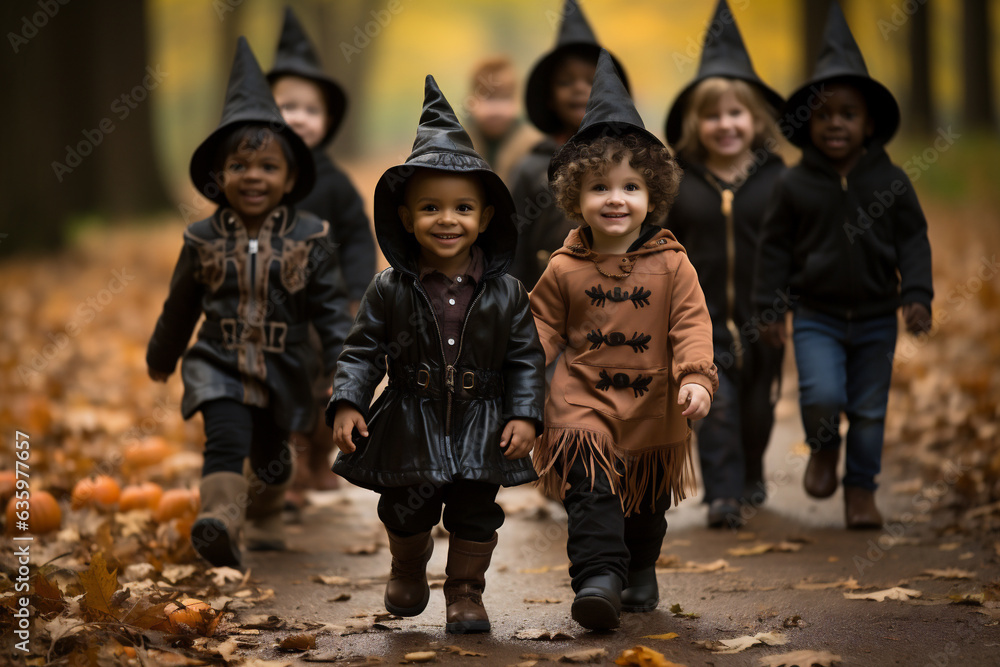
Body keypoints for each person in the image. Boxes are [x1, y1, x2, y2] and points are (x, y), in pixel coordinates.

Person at [328, 76, 545, 634]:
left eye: (462, 208)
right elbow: (362, 350)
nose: (447, 220)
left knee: (476, 509)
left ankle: (466, 592)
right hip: (410, 417)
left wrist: (525, 413)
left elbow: (525, 358)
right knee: (407, 506)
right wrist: (348, 401)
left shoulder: (507, 292)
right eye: (430, 208)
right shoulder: (389, 288)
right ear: (405, 217)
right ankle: (407, 564)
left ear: (487, 217)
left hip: (482, 421)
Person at [530, 51, 717, 631]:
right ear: (575, 197)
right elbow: (538, 328)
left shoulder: (672, 265)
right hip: (581, 401)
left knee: (644, 508)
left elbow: (691, 324)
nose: (616, 198)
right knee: (590, 494)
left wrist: (695, 377)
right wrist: (516, 386)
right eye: (599, 187)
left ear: (652, 194)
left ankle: (638, 569)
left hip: (653, 406)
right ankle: (597, 580)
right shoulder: (562, 268)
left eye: (631, 186)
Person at [146, 38, 351, 567]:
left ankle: (267, 513)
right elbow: (180, 304)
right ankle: (217, 520)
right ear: (220, 177)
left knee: (271, 458)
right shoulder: (202, 238)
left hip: (285, 365)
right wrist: (163, 355)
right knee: (225, 438)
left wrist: (340, 369)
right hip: (218, 359)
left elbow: (329, 310)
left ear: (288, 180)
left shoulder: (311, 237)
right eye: (240, 166)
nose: (253, 176)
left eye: (267, 167)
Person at [754, 1, 933, 529]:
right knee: (824, 395)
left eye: (847, 114)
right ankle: (824, 446)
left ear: (869, 122)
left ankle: (861, 492)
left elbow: (914, 241)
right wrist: (769, 310)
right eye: (823, 115)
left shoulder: (892, 181)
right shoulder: (794, 184)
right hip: (818, 316)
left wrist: (917, 295)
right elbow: (774, 250)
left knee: (871, 411)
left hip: (878, 317)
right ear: (808, 125)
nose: (834, 124)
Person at [664, 0, 787, 529]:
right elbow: (666, 245)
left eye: (735, 113)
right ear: (696, 124)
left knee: (758, 410)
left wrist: (786, 304)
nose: (724, 124)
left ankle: (751, 471)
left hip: (765, 319)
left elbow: (796, 248)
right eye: (712, 116)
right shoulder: (681, 185)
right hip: (703, 320)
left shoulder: (778, 179)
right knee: (717, 407)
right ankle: (722, 495)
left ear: (755, 118)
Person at [266, 6, 377, 509]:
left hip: (323, 307)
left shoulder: (333, 181)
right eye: (286, 106)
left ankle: (314, 459)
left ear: (327, 121)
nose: (298, 117)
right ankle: (278, 469)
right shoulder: (256, 177)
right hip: (266, 306)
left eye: (310, 110)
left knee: (318, 383)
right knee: (274, 386)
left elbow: (357, 236)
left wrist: (356, 290)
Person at [508, 0, 628, 289]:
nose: (578, 88)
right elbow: (514, 247)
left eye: (591, 81)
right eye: (565, 81)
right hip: (545, 299)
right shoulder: (531, 167)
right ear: (548, 97)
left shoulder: (630, 161)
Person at [464, 55, 541, 187]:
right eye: (488, 97)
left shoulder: (535, 145)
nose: (496, 109)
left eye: (505, 98)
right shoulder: (455, 141)